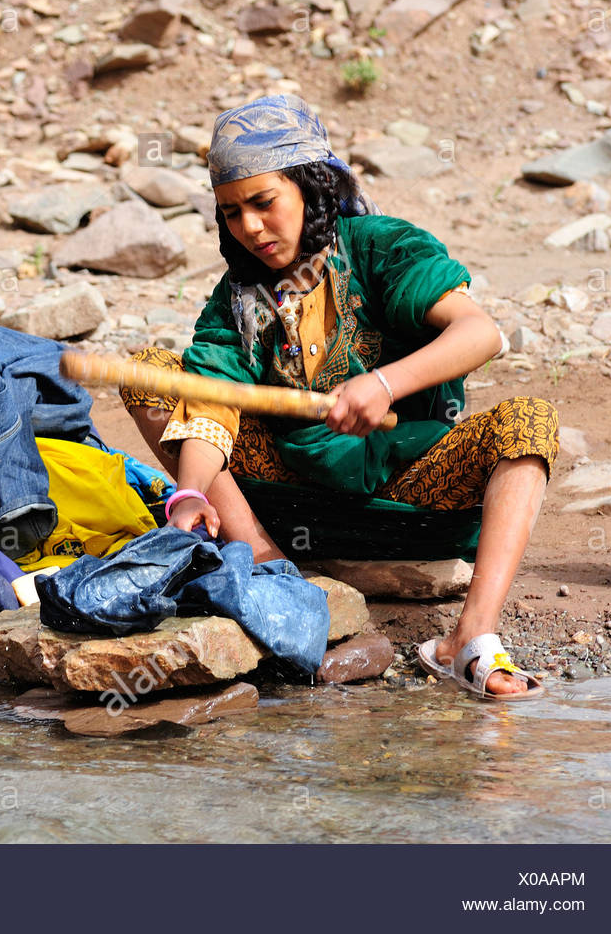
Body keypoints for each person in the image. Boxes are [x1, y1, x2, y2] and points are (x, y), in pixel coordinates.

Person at [122, 95, 558, 700]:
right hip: (290, 507)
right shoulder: (237, 299)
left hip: (412, 497)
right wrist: (192, 494)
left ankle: (470, 640)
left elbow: (480, 332)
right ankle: (272, 572)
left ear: (310, 189)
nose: (249, 227)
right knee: (152, 372)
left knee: (529, 421)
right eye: (231, 212)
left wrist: (384, 383)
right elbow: (208, 403)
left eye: (263, 202)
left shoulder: (382, 248)